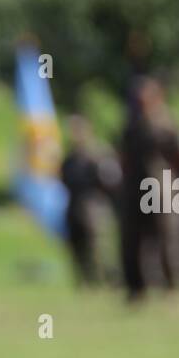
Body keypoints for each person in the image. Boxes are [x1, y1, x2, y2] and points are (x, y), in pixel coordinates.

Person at [118, 77, 179, 300]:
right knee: (133, 238)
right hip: (135, 187)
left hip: (162, 187)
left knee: (169, 238)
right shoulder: (133, 124)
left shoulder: (168, 124)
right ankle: (136, 290)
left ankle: (174, 287)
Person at [60, 115, 119, 286]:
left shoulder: (99, 153)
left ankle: (105, 282)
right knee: (77, 249)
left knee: (100, 250)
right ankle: (85, 283)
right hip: (74, 207)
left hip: (95, 208)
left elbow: (111, 180)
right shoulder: (70, 157)